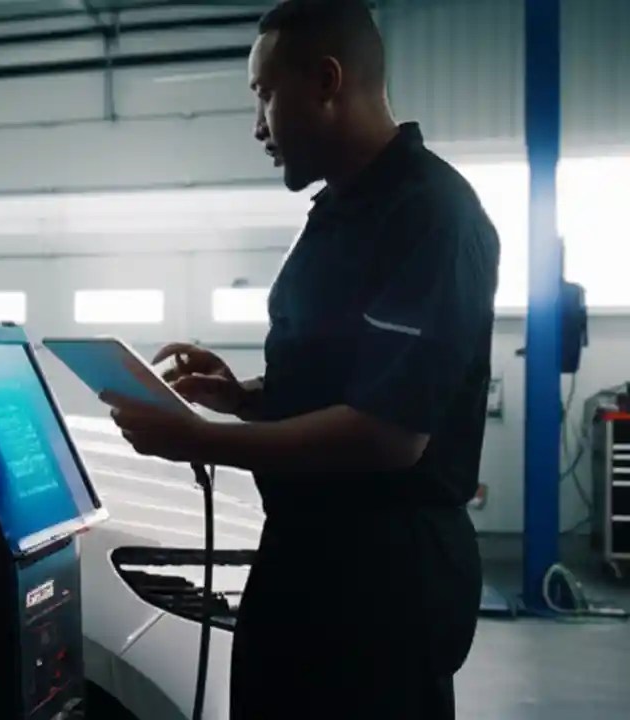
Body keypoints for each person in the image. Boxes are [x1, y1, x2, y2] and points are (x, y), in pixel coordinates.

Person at [104, 1, 500, 718]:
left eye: (263, 94)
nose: (257, 125)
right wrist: (246, 394)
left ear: (326, 80)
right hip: (309, 558)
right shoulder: (340, 211)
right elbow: (343, 374)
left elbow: (389, 433)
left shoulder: (431, 216)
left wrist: (200, 439)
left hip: (381, 584)